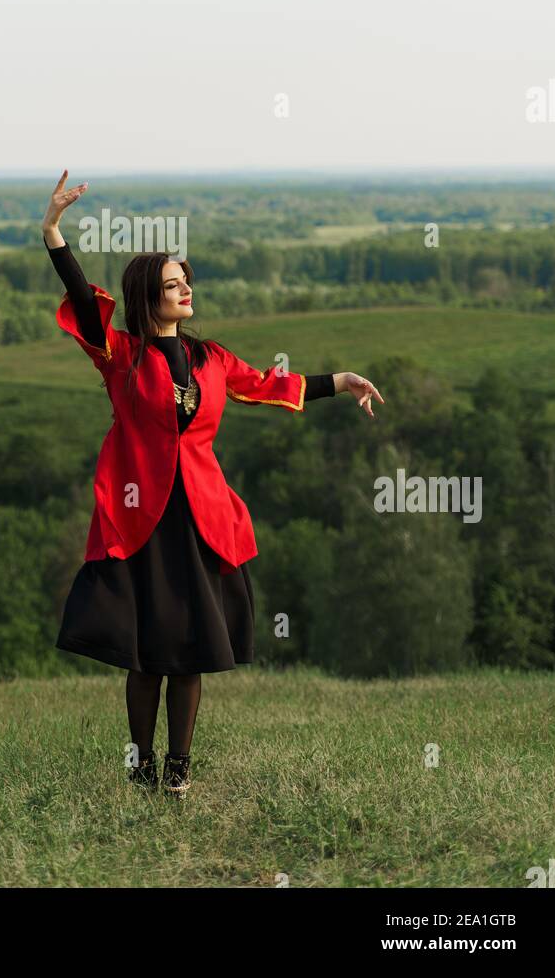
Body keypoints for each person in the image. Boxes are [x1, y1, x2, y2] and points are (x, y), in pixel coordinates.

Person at [43, 171, 384, 795]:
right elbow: (83, 304)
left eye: (186, 280)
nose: (186, 290)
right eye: (173, 285)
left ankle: (178, 771)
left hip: (200, 518)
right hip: (141, 515)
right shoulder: (120, 354)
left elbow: (270, 384)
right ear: (150, 297)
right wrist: (54, 232)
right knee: (146, 655)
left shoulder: (213, 359)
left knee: (191, 649)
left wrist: (343, 381)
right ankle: (140, 767)